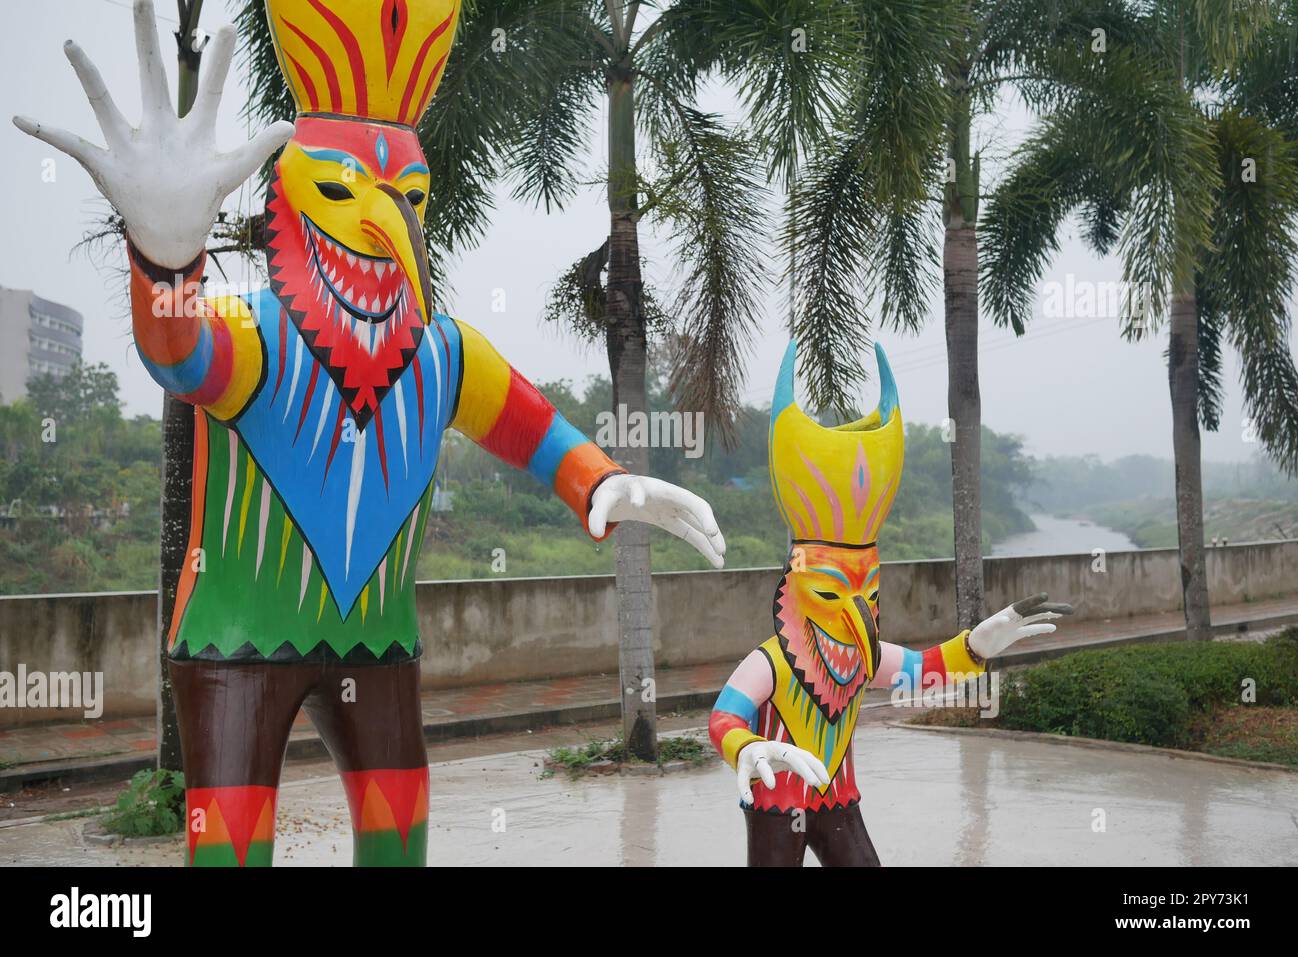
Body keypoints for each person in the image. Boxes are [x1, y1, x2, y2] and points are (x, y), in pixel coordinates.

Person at [16, 0, 725, 866]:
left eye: (408, 193)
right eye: (347, 186)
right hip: (238, 642)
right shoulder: (255, 335)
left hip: (378, 642)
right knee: (231, 849)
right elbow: (181, 354)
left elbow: (536, 430)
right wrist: (166, 262)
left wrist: (600, 480)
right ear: (295, 187)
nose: (388, 215)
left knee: (397, 841)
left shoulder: (443, 355)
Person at [709, 341, 1071, 866]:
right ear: (798, 583)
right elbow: (724, 715)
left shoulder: (865, 658)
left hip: (837, 796)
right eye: (833, 593)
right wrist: (748, 747)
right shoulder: (769, 662)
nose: (859, 613)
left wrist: (977, 645)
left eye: (869, 594)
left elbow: (926, 670)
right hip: (774, 797)